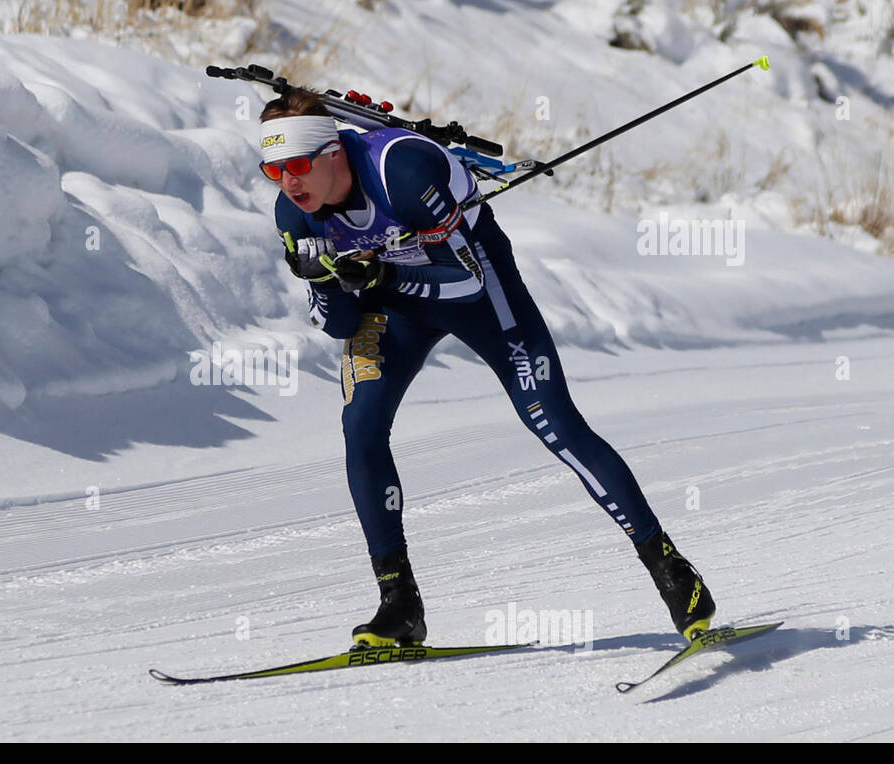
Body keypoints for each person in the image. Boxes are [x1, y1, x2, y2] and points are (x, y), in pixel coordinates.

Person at [259, 87, 716, 647]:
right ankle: (399, 604)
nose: (287, 183)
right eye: (272, 170)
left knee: (556, 427)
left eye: (297, 166)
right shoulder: (294, 212)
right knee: (361, 428)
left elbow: (466, 279)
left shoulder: (402, 169)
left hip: (479, 293)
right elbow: (336, 325)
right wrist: (322, 277)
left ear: (333, 153)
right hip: (398, 307)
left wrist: (384, 278)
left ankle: (669, 569)